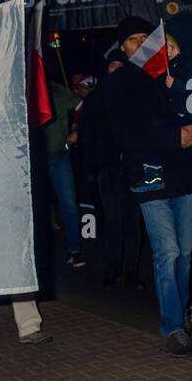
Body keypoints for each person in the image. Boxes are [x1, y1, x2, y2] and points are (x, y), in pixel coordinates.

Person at [106, 15, 192, 356]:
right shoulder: (120, 83)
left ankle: (181, 314)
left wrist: (180, 96)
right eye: (131, 40)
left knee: (186, 253)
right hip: (150, 177)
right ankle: (173, 327)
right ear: (123, 47)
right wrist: (174, 136)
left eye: (143, 38)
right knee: (168, 252)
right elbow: (127, 135)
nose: (138, 44)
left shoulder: (170, 71)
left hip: (183, 175)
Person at [80, 52, 143, 290]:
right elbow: (87, 133)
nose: (116, 69)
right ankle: (113, 266)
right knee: (113, 220)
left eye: (120, 65)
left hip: (132, 167)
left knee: (132, 221)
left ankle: (132, 272)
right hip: (107, 169)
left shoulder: (136, 96)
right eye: (112, 65)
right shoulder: (97, 99)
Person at [43, 78, 85, 268]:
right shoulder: (21, 86)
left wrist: (77, 131)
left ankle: (75, 251)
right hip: (32, 160)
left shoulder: (58, 90)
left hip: (59, 155)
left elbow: (83, 107)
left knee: (69, 204)